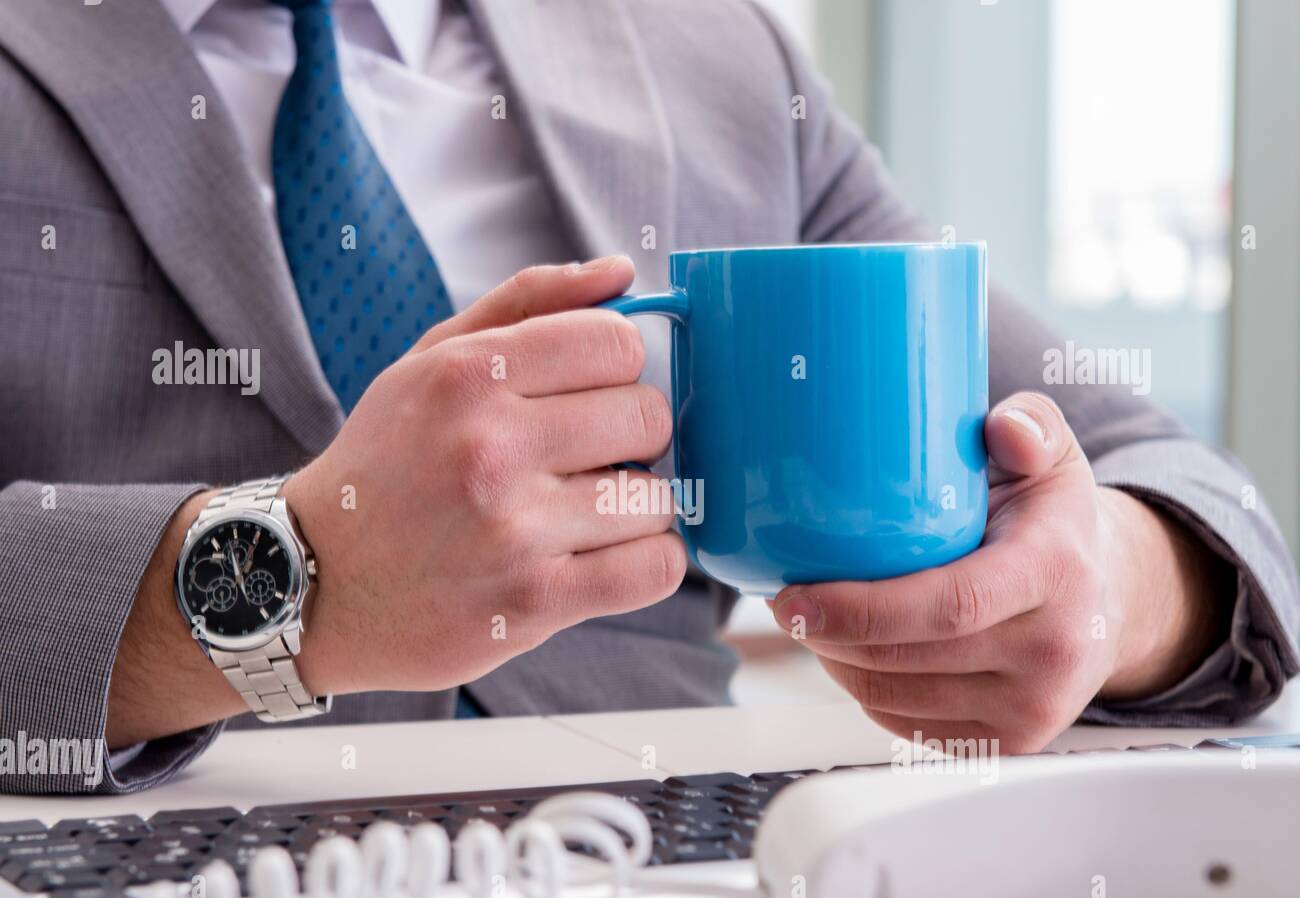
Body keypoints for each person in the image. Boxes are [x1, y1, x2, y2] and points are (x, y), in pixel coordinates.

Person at [0, 0, 1294, 794]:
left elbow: (1185, 492)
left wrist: (1108, 587)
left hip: (703, 897)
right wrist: (289, 574)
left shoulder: (714, 57)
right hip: (158, 881)